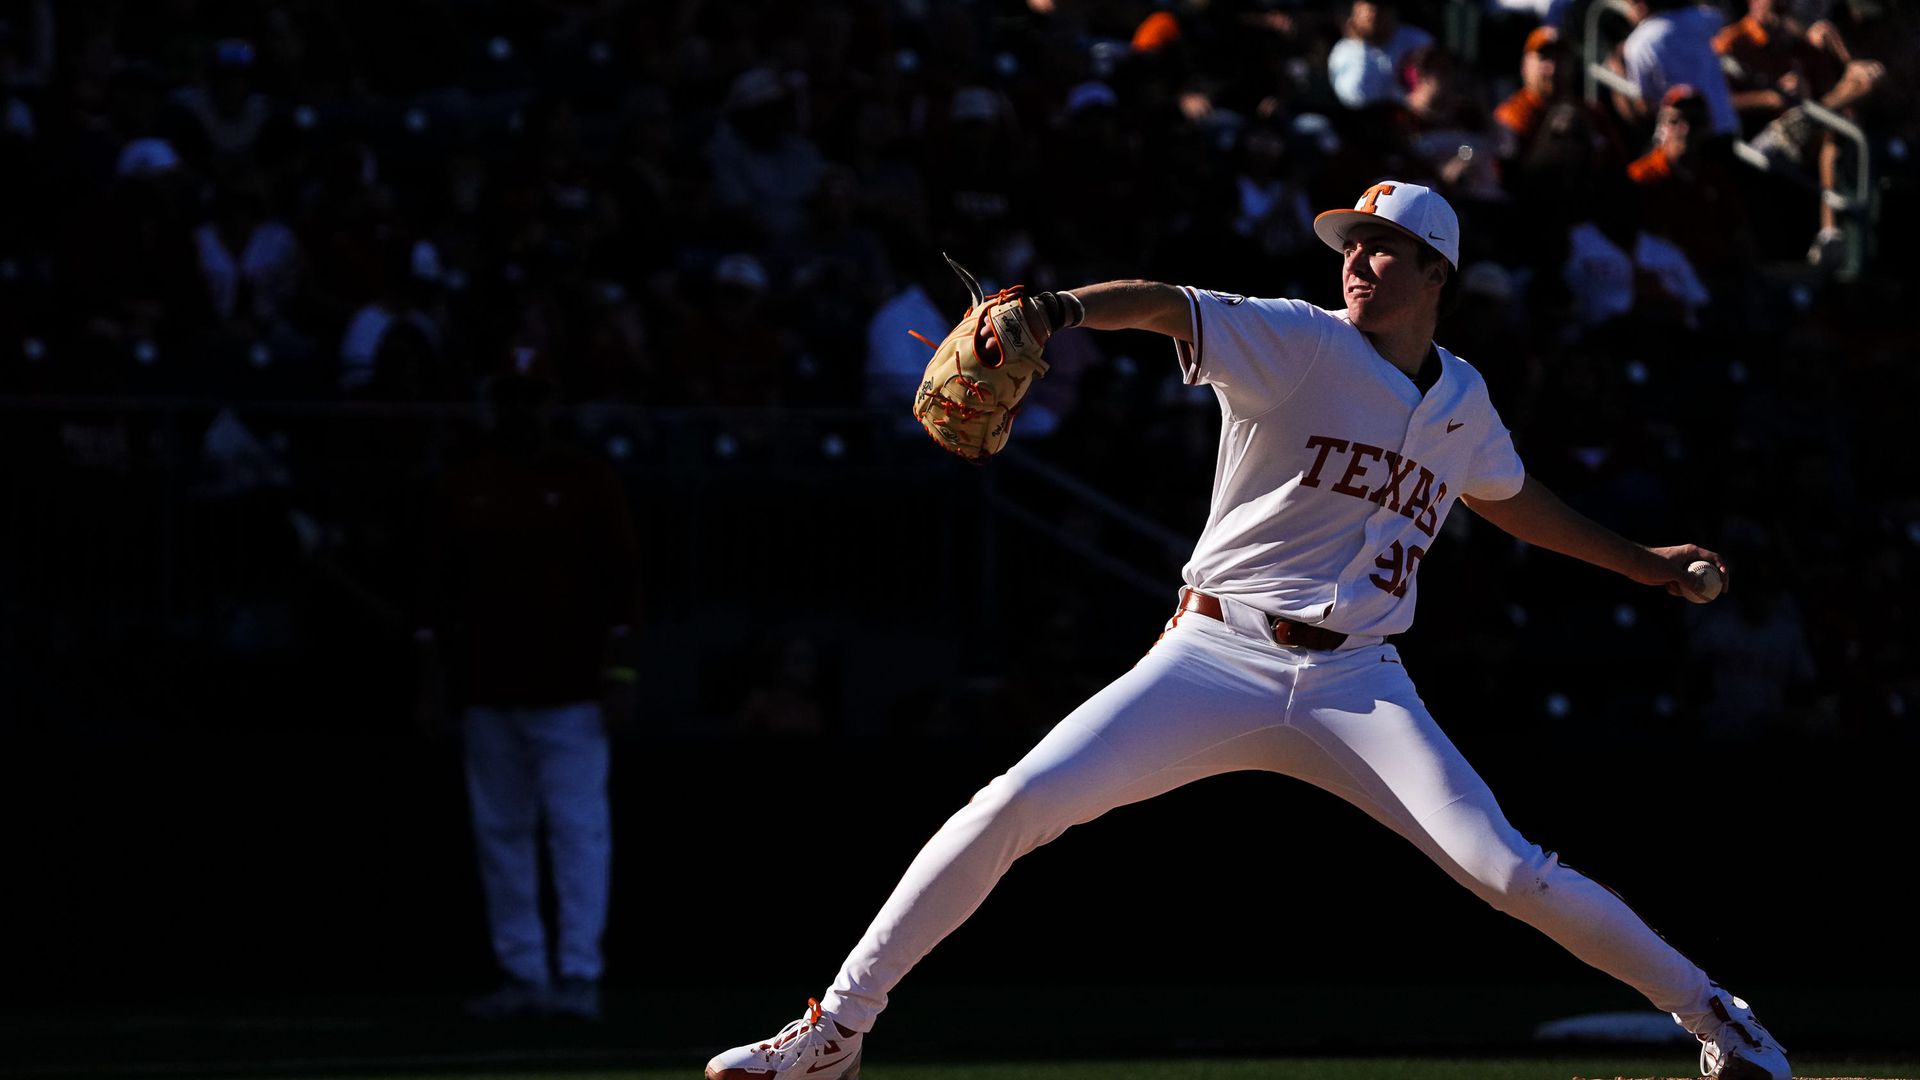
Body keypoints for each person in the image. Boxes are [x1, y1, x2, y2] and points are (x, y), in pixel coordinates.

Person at [703, 182, 1792, 1080]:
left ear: (1437, 276)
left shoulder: (1462, 396)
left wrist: (1646, 563)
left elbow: (1509, 498)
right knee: (1016, 805)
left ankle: (1715, 1017)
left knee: (1504, 871)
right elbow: (1171, 306)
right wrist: (1060, 311)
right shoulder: (1296, 340)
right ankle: (835, 1032)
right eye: (1353, 244)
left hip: (1361, 681)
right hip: (1212, 653)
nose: (1360, 261)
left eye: (1386, 248)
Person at [414, 347, 642, 1021]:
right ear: (497, 402)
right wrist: (431, 680)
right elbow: (435, 591)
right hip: (488, 688)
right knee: (502, 833)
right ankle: (522, 973)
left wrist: (619, 674)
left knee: (577, 833)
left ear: (550, 404)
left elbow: (623, 582)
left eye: (534, 397)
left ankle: (576, 976)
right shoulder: (466, 481)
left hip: (571, 690)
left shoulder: (585, 479)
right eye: (512, 396)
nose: (523, 410)